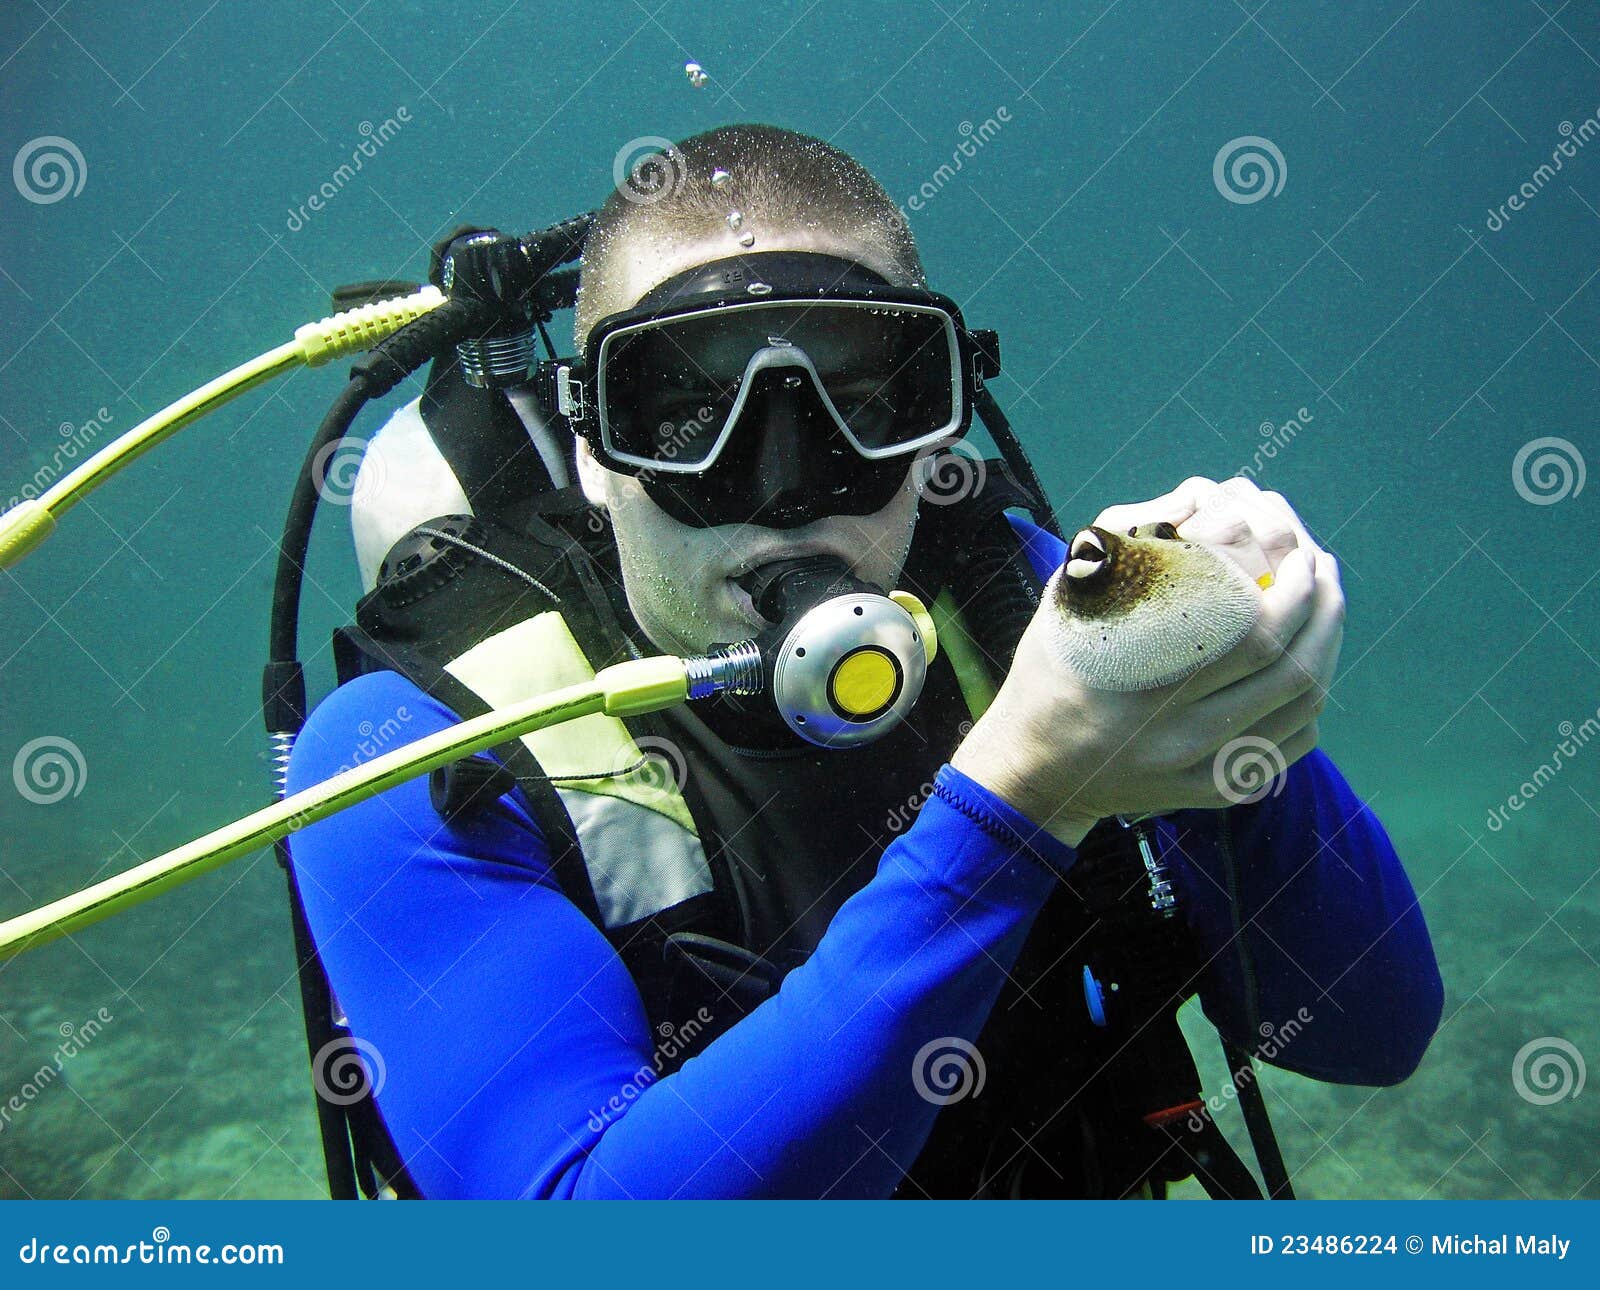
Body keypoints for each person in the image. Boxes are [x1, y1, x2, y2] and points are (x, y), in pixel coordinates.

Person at [285, 123, 1443, 1199]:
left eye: (862, 399)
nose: (788, 486)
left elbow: (1370, 1033)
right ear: (592, 448)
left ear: (939, 419)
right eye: (683, 413)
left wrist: (1227, 707)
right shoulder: (417, 745)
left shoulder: (1020, 607)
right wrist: (1020, 801)